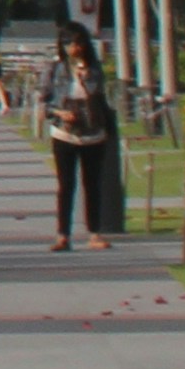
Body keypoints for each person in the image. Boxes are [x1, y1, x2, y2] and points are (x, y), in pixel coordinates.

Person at [43, 23, 125, 248]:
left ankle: (94, 232)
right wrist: (60, 112)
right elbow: (45, 101)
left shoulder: (94, 69)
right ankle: (63, 234)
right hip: (64, 132)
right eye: (68, 43)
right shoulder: (55, 68)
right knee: (65, 184)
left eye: (78, 43)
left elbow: (98, 95)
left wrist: (84, 76)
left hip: (92, 132)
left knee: (92, 183)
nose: (74, 48)